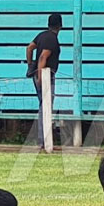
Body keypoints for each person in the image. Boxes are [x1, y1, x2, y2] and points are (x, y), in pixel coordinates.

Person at [25, 14, 63, 146]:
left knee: (43, 105)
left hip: (37, 73)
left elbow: (29, 48)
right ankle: (43, 140)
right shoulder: (53, 39)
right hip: (46, 76)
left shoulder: (41, 35)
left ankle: (44, 139)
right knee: (45, 107)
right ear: (60, 26)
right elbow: (42, 58)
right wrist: (42, 78)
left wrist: (30, 66)